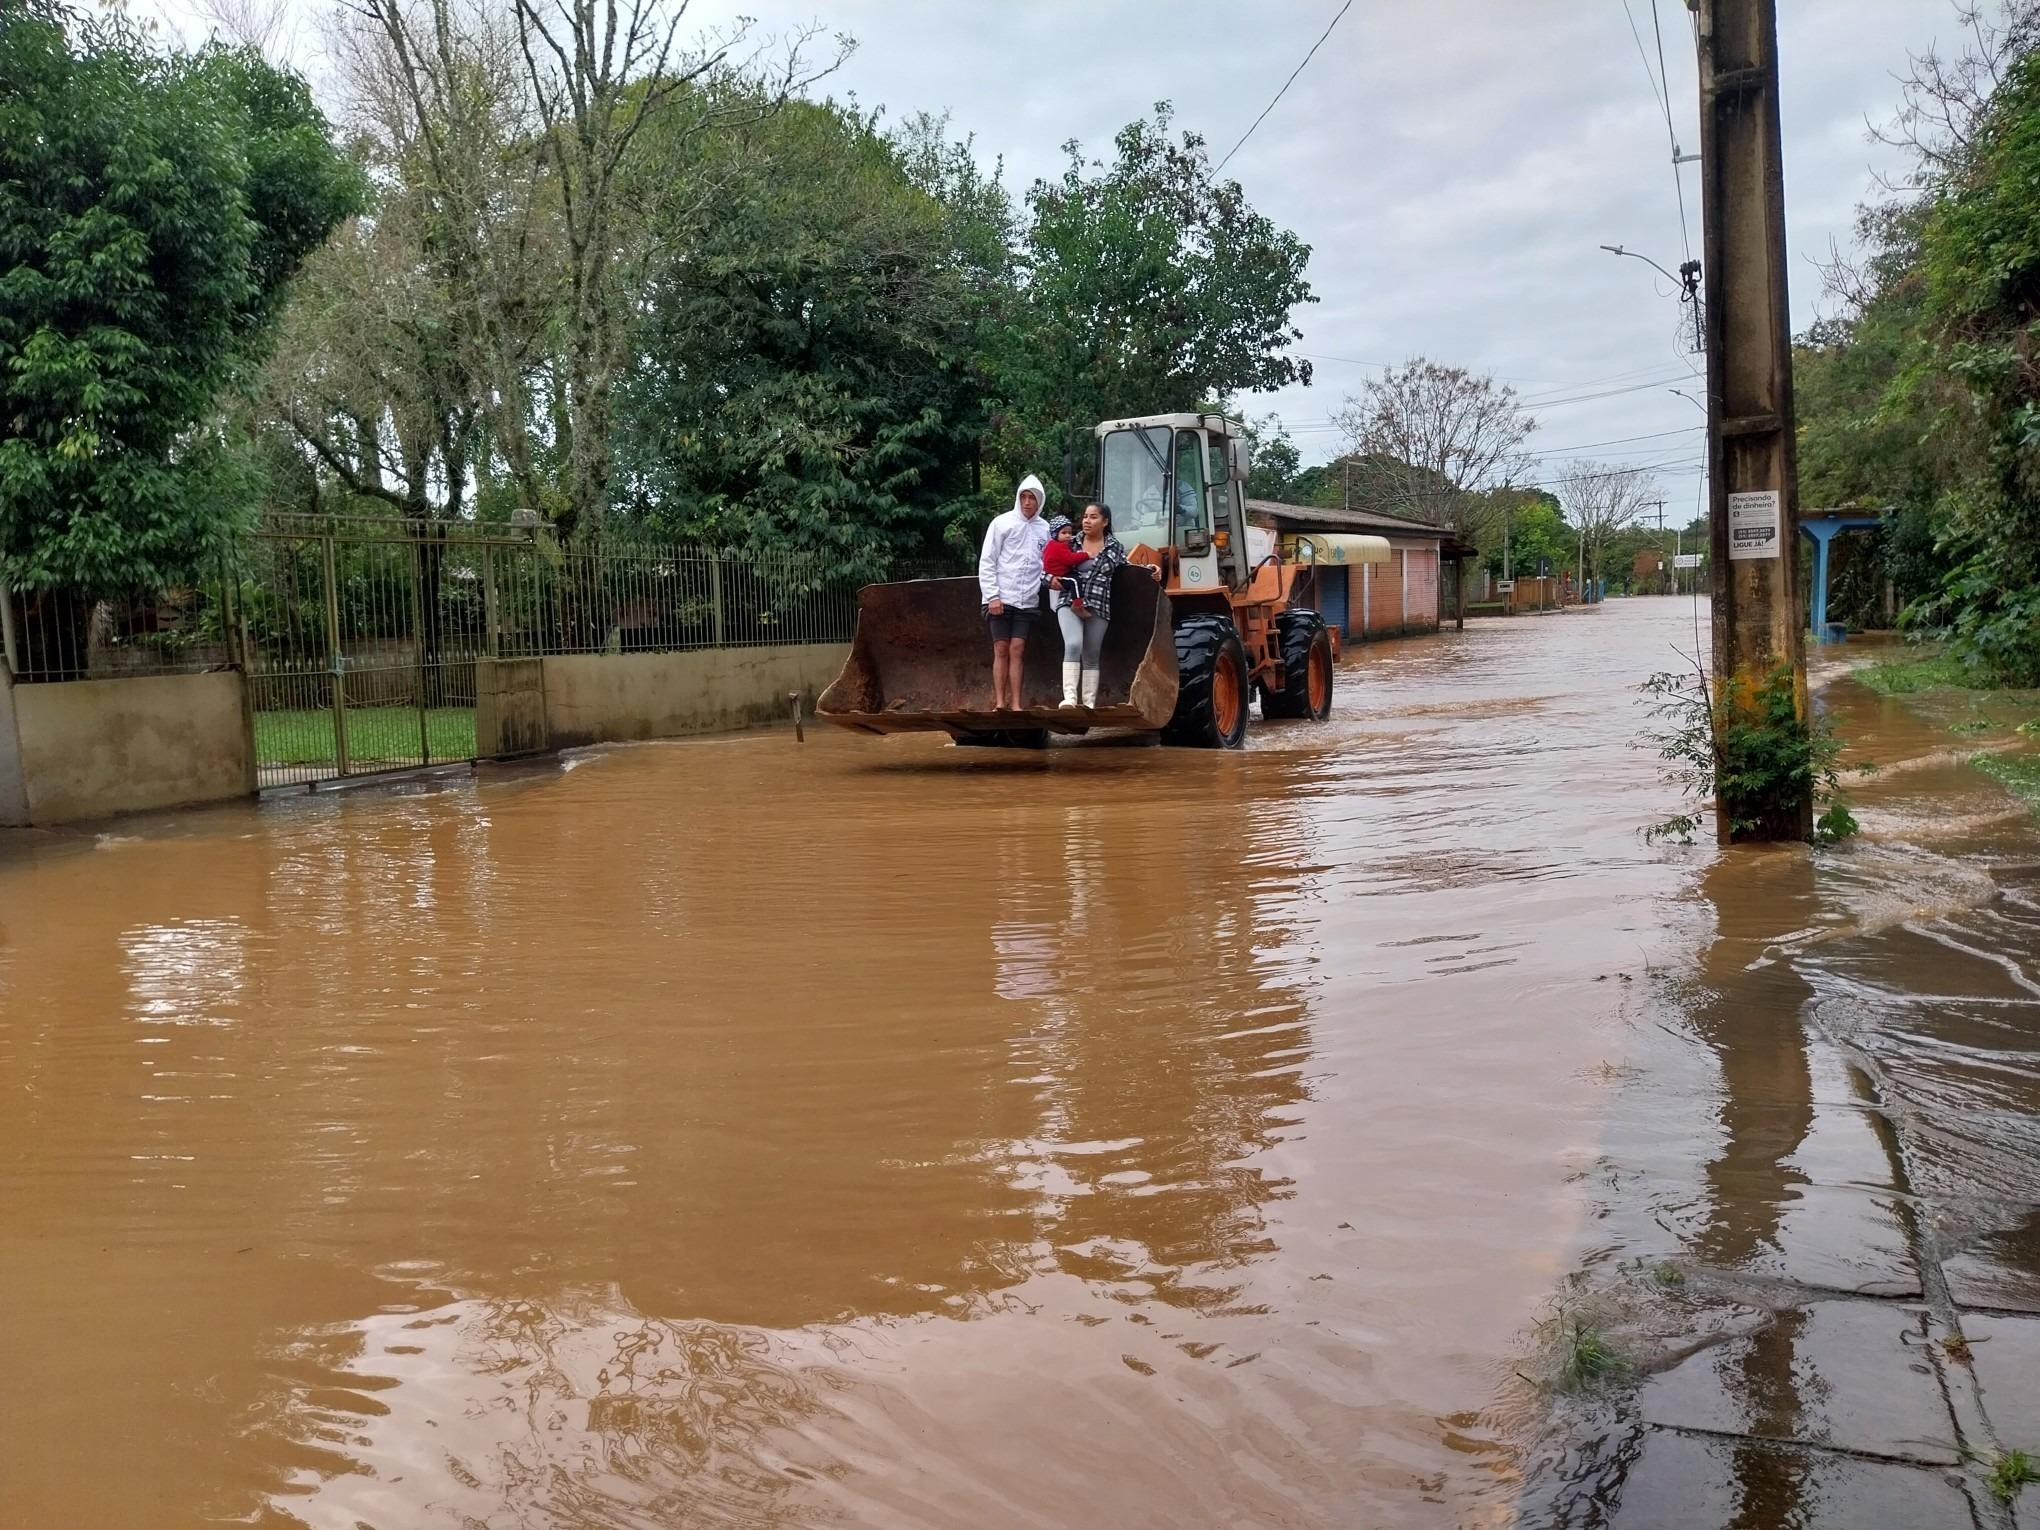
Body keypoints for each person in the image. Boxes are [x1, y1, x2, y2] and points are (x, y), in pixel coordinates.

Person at [1061, 500, 1153, 708]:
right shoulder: (1070, 543)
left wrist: (1150, 569)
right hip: (1070, 601)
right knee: (1073, 644)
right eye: (1085, 516)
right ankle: (1069, 698)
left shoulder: (1114, 547)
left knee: (1092, 654)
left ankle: (1089, 703)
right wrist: (1050, 579)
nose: (1087, 521)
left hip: (1099, 604)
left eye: (1093, 517)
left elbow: (1128, 566)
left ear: (1105, 522)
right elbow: (1050, 564)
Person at [978, 474, 1052, 710]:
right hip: (1001, 595)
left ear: (1040, 501)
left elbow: (1046, 562)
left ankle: (1017, 704)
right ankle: (1000, 702)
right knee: (1001, 648)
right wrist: (992, 596)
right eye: (1024, 496)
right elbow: (988, 560)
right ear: (1018, 498)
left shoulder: (1045, 528)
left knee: (1017, 648)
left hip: (1027, 599)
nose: (1028, 502)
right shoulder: (1001, 523)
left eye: (1033, 498)